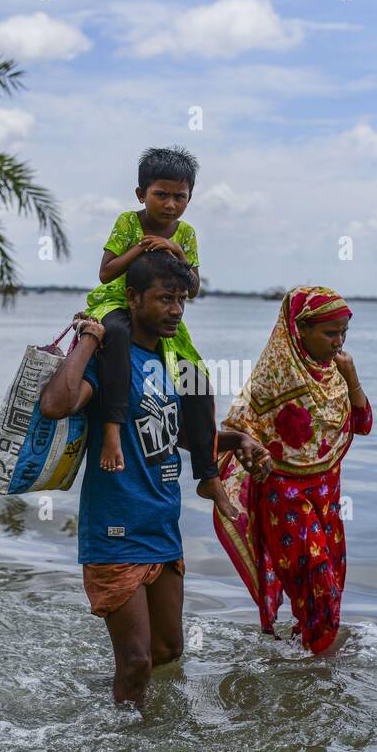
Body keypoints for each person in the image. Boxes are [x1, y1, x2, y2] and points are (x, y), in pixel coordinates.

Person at [40, 251, 270, 705]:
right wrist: (90, 337)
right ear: (133, 298)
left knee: (169, 650)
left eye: (181, 300)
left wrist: (234, 440)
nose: (176, 311)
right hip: (114, 530)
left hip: (162, 527)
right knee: (137, 662)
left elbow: (170, 433)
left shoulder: (169, 362)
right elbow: (56, 404)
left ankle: (117, 708)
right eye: (165, 299)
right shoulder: (109, 362)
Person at [81, 145, 241, 523]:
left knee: (196, 377)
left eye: (180, 197)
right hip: (120, 302)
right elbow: (106, 274)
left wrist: (176, 253)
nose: (171, 205)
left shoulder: (186, 233)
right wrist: (140, 248)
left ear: (189, 197)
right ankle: (112, 429)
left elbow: (195, 287)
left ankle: (208, 474)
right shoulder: (127, 222)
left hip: (161, 311)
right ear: (141, 194)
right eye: (161, 195)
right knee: (117, 339)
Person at [213, 286, 372, 655]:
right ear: (299, 331)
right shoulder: (275, 376)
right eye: (329, 333)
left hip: (327, 499)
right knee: (318, 583)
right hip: (285, 500)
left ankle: (307, 664)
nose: (339, 342)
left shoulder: (335, 376)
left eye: (343, 333)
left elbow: (362, 424)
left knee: (326, 590)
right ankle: (319, 676)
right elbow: (239, 430)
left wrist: (352, 379)